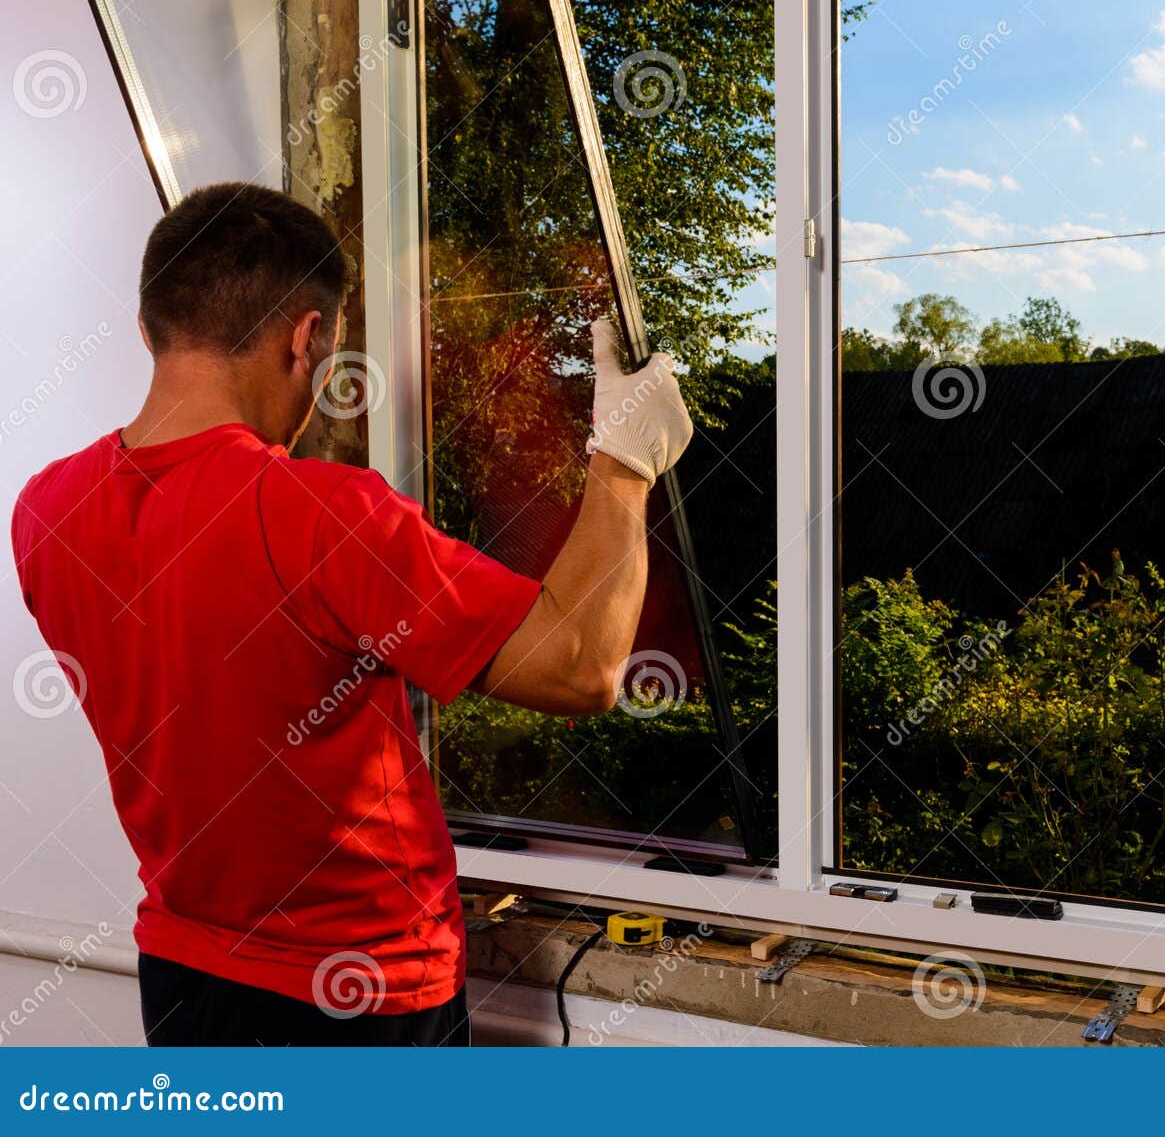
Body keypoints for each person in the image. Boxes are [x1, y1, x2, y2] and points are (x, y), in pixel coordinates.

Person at [9, 182, 693, 1046]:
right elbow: (582, 666)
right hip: (360, 995)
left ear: (149, 329)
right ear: (307, 338)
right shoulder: (321, 516)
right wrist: (624, 459)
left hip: (183, 981)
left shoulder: (45, 511)